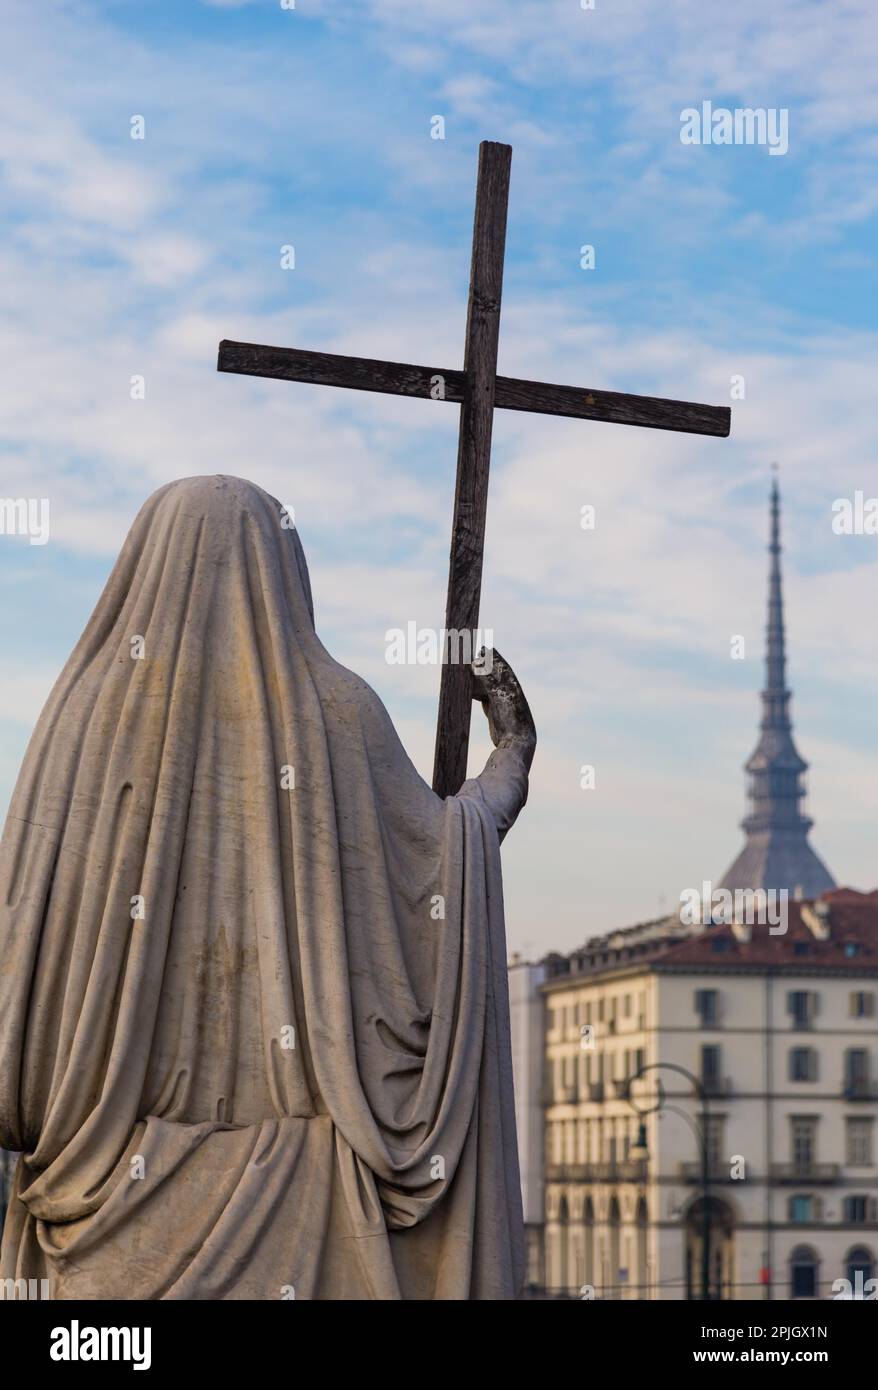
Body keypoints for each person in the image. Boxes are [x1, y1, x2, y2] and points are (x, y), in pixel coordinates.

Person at [0, 474, 535, 1300]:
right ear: (287, 568)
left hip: (104, 1222)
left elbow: (21, 979)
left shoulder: (80, 722)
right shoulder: (339, 711)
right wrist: (510, 759)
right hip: (310, 1226)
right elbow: (443, 876)